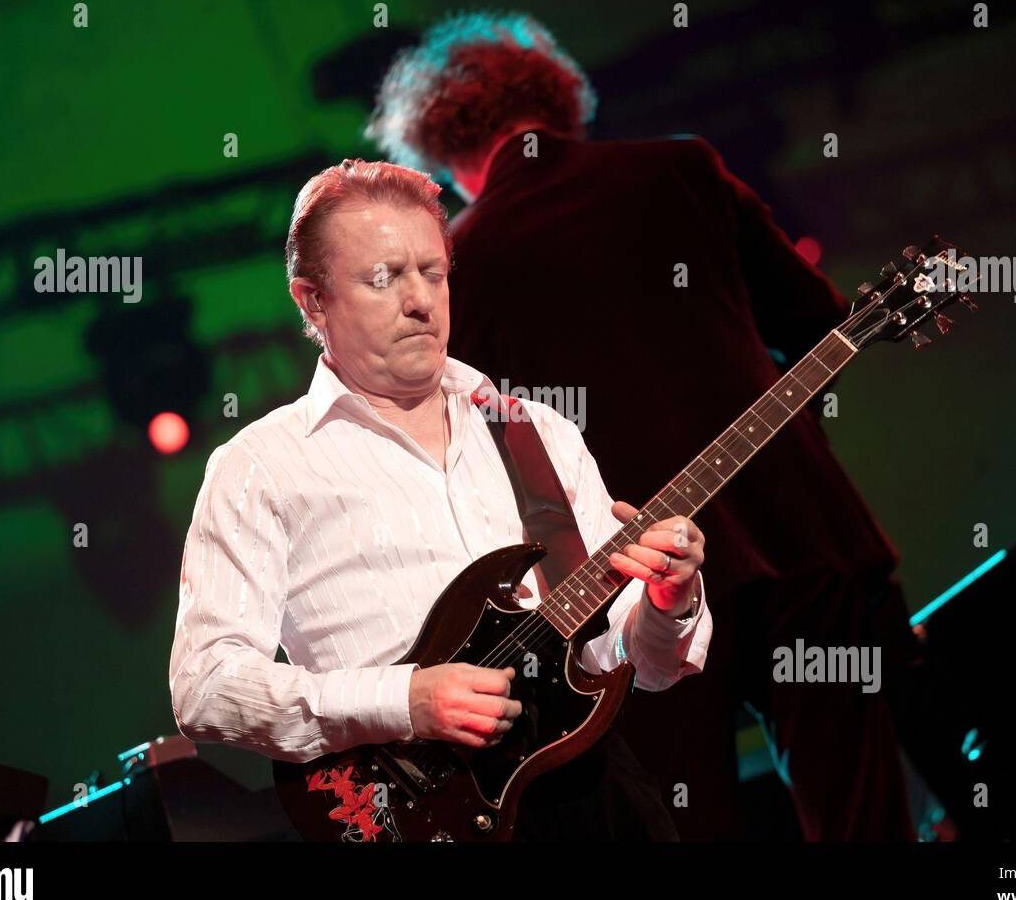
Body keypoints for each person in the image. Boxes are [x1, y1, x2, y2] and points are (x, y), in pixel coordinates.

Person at [366, 11, 917, 840]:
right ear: (559, 96)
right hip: (798, 540)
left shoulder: (456, 265)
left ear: (439, 140)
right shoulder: (681, 167)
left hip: (631, 600)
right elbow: (819, 322)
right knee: (861, 823)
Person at [168, 159, 712, 841]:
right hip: (421, 817)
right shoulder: (260, 466)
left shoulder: (534, 433)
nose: (421, 300)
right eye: (383, 278)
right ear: (312, 300)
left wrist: (670, 603)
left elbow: (649, 667)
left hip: (597, 794)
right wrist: (404, 702)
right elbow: (206, 686)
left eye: (433, 271)